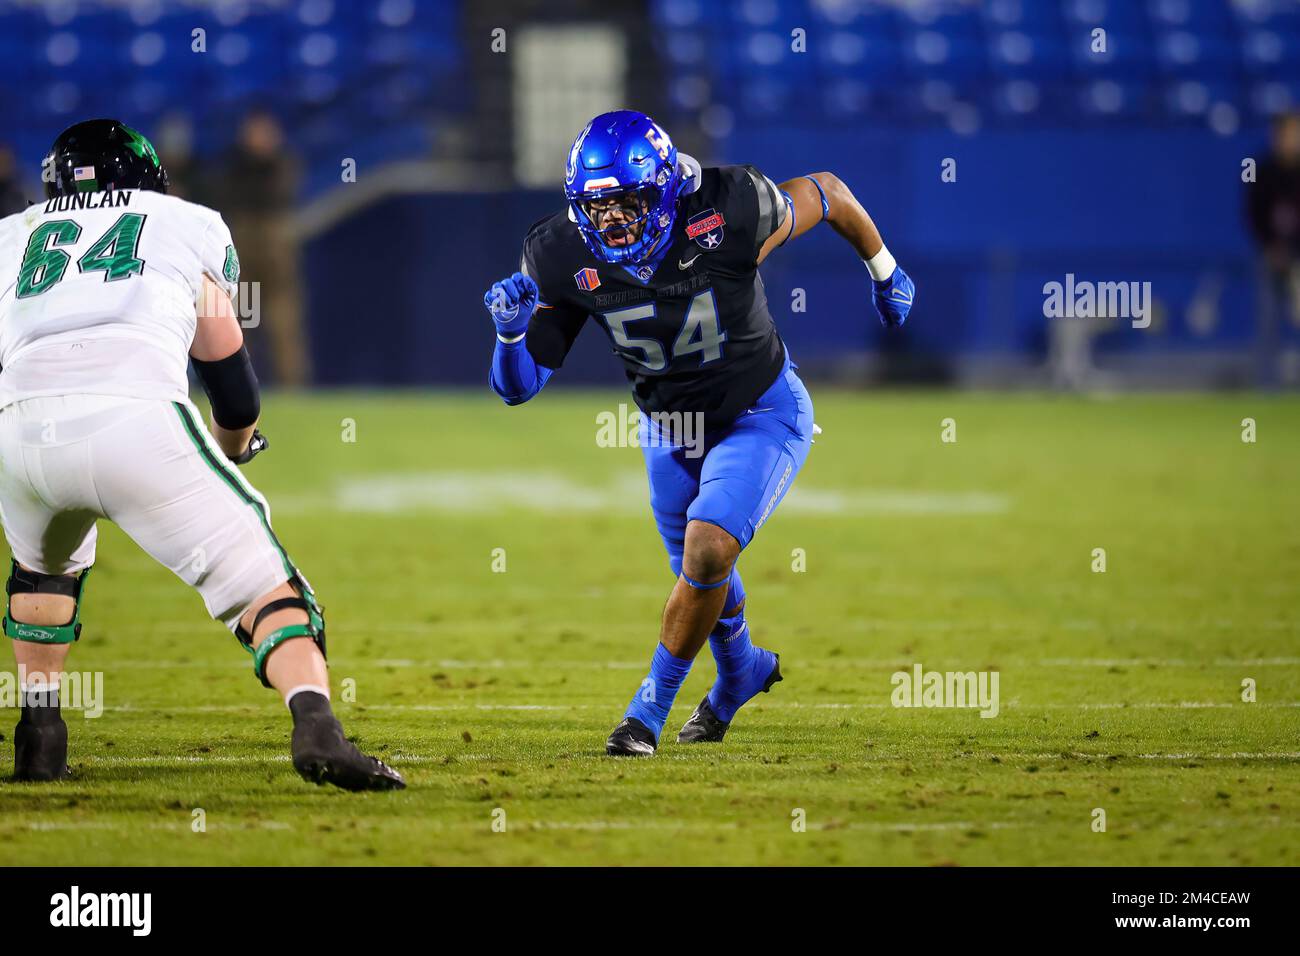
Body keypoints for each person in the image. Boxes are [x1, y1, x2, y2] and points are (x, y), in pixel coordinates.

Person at [483, 110, 914, 755]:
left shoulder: (729, 210)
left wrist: (886, 270)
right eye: (598, 208)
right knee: (703, 574)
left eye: (628, 203)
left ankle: (646, 713)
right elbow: (518, 387)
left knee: (708, 549)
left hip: (759, 411)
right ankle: (741, 673)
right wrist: (510, 335)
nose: (613, 222)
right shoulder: (559, 252)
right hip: (668, 429)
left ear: (664, 191)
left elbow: (827, 192)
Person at [0, 119, 402, 789]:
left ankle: (39, 742)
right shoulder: (184, 222)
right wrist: (232, 449)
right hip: (134, 417)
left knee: (42, 576)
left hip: (18, 434)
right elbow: (231, 385)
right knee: (263, 583)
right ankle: (317, 728)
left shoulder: (12, 234)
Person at [212, 109, 309, 387]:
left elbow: (279, 193)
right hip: (243, 241)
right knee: (242, 316)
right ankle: (236, 386)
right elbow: (225, 194)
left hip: (273, 240)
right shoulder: (234, 163)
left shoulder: (282, 162)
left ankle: (293, 385)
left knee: (283, 320)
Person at [1246, 110, 1300, 386]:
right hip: (1269, 256)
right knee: (1268, 322)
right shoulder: (1260, 169)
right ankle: (1267, 385)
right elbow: (1252, 212)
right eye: (1286, 133)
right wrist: (1270, 246)